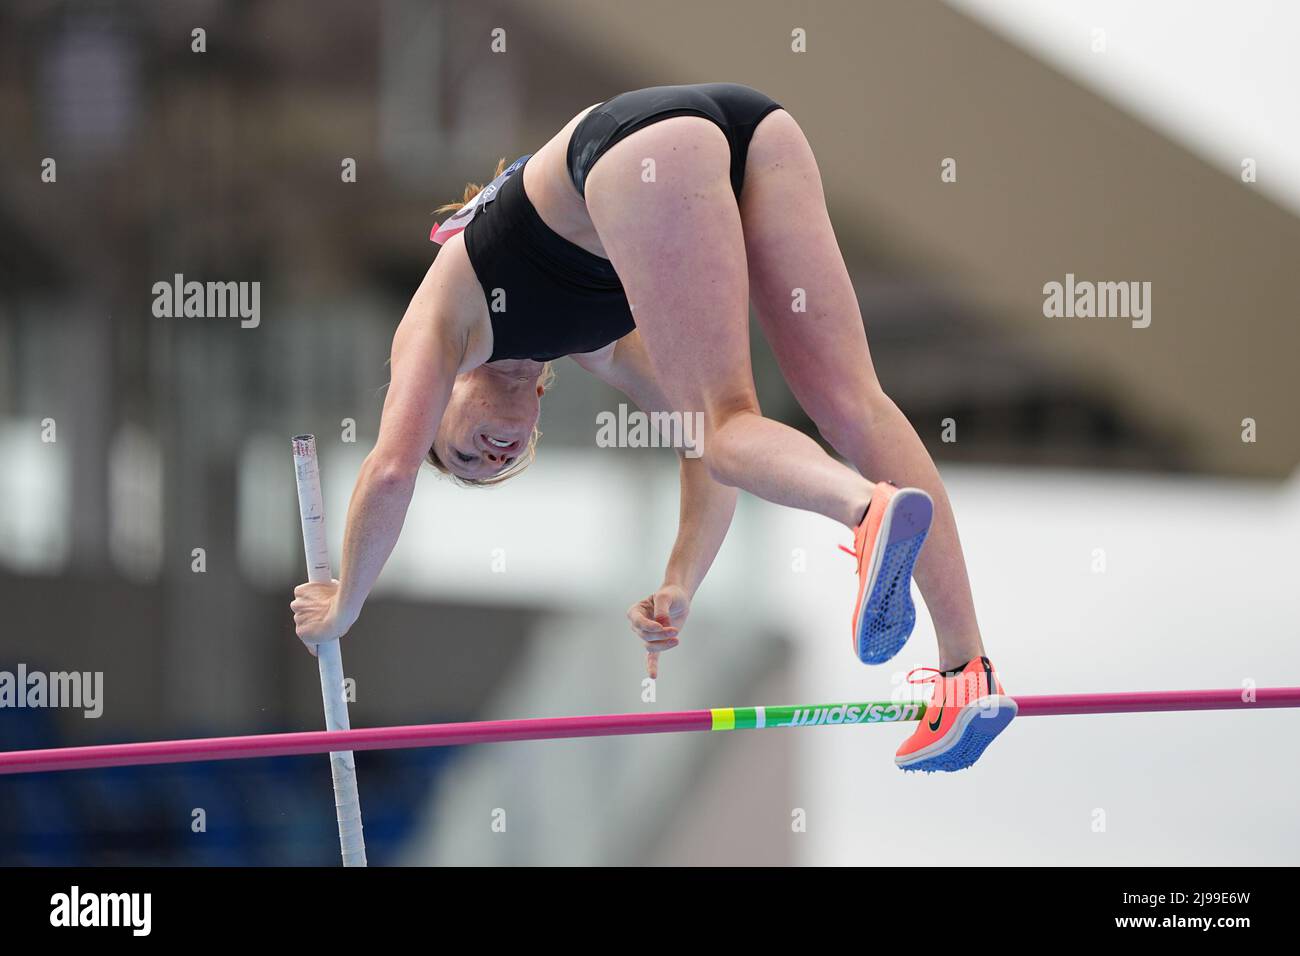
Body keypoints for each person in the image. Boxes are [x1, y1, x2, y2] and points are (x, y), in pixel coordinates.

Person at [291, 83, 1015, 772]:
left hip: (641, 150)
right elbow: (707, 453)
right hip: (754, 132)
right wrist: (679, 581)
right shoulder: (592, 343)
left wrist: (341, 605)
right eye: (501, 465)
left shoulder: (438, 325)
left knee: (731, 421)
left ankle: (866, 509)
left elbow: (389, 471)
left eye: (462, 453)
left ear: (439, 402)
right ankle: (966, 672)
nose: (493, 456)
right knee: (848, 405)